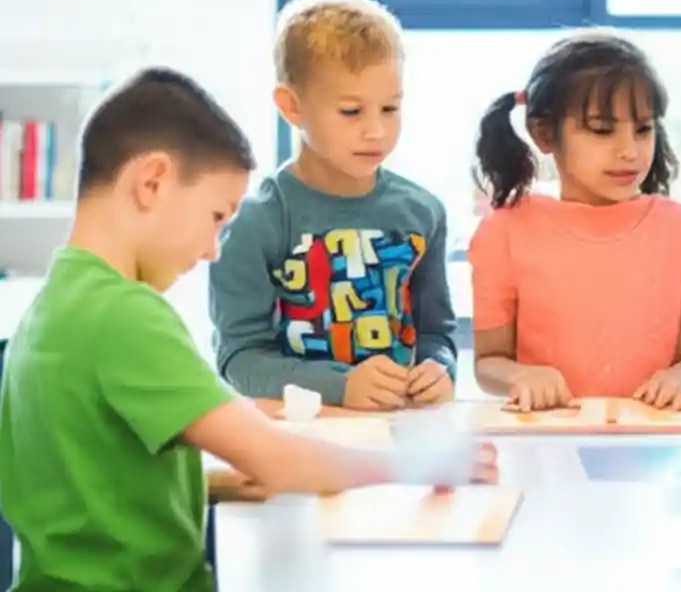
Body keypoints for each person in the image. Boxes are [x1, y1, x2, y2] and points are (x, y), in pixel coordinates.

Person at [0, 68, 495, 591]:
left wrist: (218, 483)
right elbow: (278, 460)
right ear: (152, 183)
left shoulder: (51, 308)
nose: (213, 249)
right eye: (217, 217)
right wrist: (420, 462)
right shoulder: (122, 314)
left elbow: (91, 482)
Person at [210, 0, 457, 411]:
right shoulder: (253, 222)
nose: (376, 131)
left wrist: (440, 369)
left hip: (399, 431)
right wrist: (340, 386)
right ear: (291, 106)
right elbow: (240, 360)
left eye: (390, 108)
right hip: (298, 434)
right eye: (350, 111)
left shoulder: (423, 212)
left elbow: (437, 334)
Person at [469, 30, 681, 412]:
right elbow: (488, 362)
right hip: (547, 434)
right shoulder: (504, 232)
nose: (629, 151)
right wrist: (521, 376)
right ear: (544, 134)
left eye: (643, 129)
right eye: (602, 130)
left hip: (654, 435)